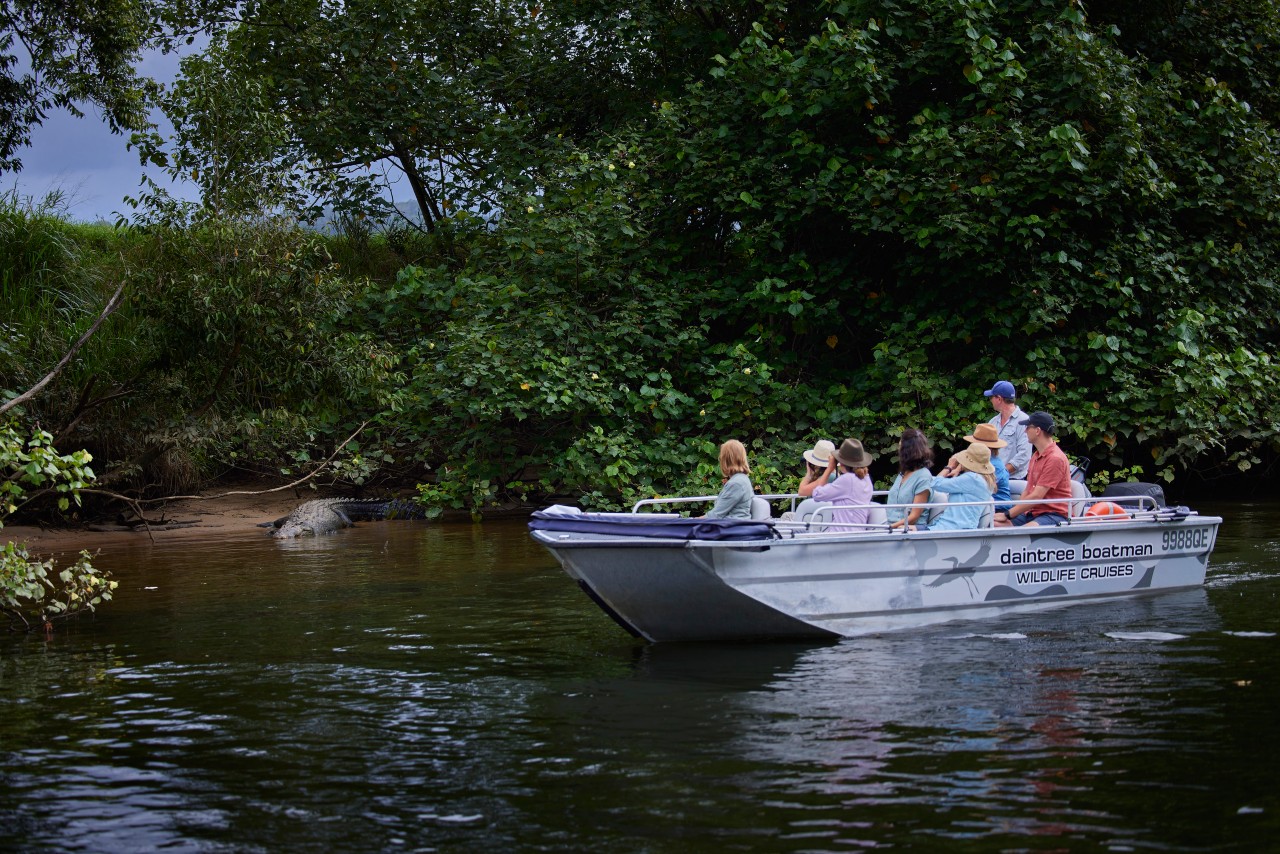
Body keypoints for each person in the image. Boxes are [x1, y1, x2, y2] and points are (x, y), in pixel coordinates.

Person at [994, 412, 1072, 527]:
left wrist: (1007, 514)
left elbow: (1037, 496)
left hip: (1054, 515)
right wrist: (1015, 513)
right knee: (994, 524)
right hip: (1033, 513)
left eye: (1027, 427)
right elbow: (1028, 490)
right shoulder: (1036, 455)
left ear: (1037, 431)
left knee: (1027, 530)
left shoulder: (1055, 458)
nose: (1025, 431)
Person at [931, 442, 998, 530]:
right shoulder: (987, 480)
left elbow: (935, 483)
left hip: (949, 528)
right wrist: (959, 468)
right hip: (964, 528)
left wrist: (949, 467)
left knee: (912, 529)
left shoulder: (972, 478)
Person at [811, 438, 875, 528]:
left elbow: (816, 495)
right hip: (857, 531)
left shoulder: (847, 480)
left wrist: (829, 469)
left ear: (841, 463)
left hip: (841, 532)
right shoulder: (866, 478)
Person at [886, 428, 934, 530]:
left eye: (900, 445)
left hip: (908, 530)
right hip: (892, 527)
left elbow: (913, 517)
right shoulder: (903, 473)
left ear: (906, 450)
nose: (898, 448)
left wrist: (889, 528)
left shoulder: (923, 477)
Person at [984, 380, 1031, 479]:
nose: (990, 400)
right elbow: (984, 449)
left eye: (991, 397)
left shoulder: (1024, 421)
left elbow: (1024, 456)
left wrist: (1000, 474)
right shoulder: (993, 421)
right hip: (991, 478)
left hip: (1014, 480)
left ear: (999, 399)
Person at [960, 423, 1011, 511]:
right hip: (982, 504)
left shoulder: (995, 465)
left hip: (998, 507)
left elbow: (977, 488)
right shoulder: (980, 460)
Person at [704, 439, 755, 519]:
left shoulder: (736, 483)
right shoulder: (742, 479)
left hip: (731, 525)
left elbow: (715, 515)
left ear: (726, 459)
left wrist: (692, 521)